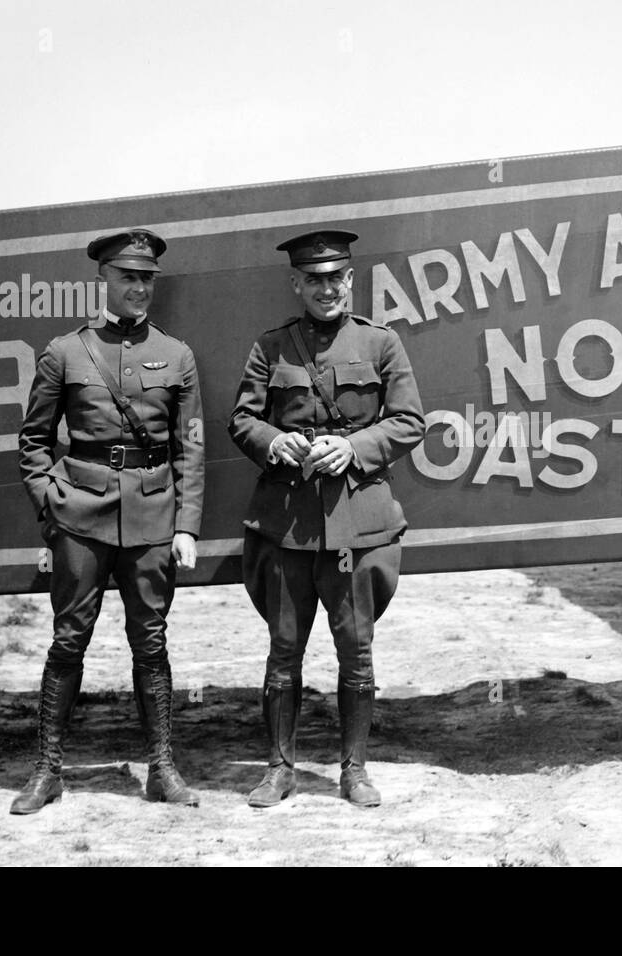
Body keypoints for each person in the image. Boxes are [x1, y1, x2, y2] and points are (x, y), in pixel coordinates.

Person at [228, 229, 424, 808]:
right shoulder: (271, 347)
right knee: (283, 650)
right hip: (286, 521)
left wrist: (356, 448)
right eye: (314, 279)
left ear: (351, 280)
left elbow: (410, 420)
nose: (327, 289)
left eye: (336, 277)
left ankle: (354, 770)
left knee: (355, 649)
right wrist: (273, 442)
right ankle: (278, 769)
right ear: (296, 284)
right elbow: (241, 420)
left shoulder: (380, 343)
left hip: (356, 522)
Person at [12, 228, 205, 814]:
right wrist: (53, 504)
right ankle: (47, 770)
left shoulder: (177, 356)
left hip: (151, 515)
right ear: (104, 279)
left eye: (147, 278)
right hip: (82, 514)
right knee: (69, 639)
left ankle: (162, 768)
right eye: (128, 277)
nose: (139, 288)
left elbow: (190, 448)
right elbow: (33, 441)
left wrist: (187, 525)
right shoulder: (65, 352)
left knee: (150, 642)